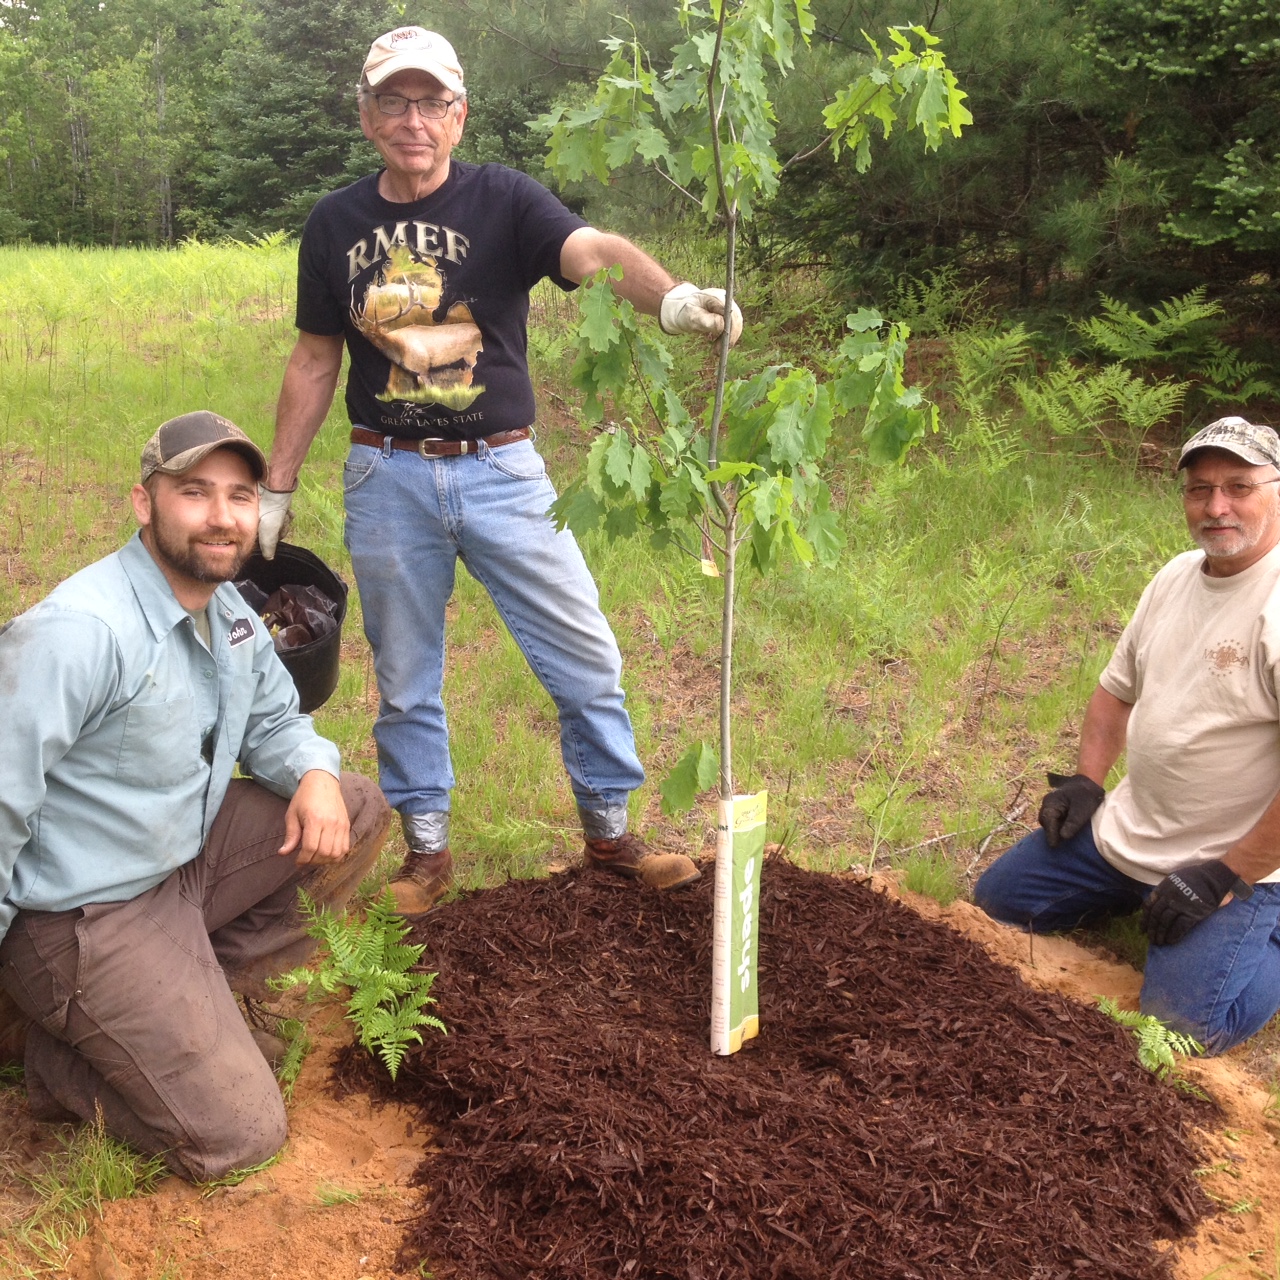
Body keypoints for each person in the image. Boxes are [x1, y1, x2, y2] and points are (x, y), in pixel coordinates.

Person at [257, 27, 742, 914]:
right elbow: (315, 359)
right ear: (367, 116)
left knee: (584, 654)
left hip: (502, 471)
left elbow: (590, 253)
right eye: (394, 101)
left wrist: (670, 299)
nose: (414, 120)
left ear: (460, 114)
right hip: (386, 476)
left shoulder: (507, 202)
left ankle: (608, 836)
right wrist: (277, 486)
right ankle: (427, 855)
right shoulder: (334, 224)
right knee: (405, 678)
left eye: (432, 102)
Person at [0, 411, 392, 1181]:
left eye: (240, 496)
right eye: (195, 493)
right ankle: (53, 1060)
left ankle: (206, 990)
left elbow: (278, 720)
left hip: (180, 861)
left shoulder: (230, 611)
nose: (221, 517)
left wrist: (311, 772)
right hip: (83, 919)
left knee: (352, 804)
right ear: (145, 504)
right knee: (239, 1135)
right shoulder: (80, 634)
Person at [975, 415, 1280, 1055]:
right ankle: (1140, 892)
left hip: (1241, 863)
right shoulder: (1174, 577)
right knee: (994, 904)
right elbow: (1116, 691)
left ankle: (1263, 929)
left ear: (1275, 488)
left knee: (1179, 1031)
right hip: (1135, 831)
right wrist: (1088, 782)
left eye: (1239, 487)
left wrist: (1223, 874)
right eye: (1199, 489)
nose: (1216, 506)